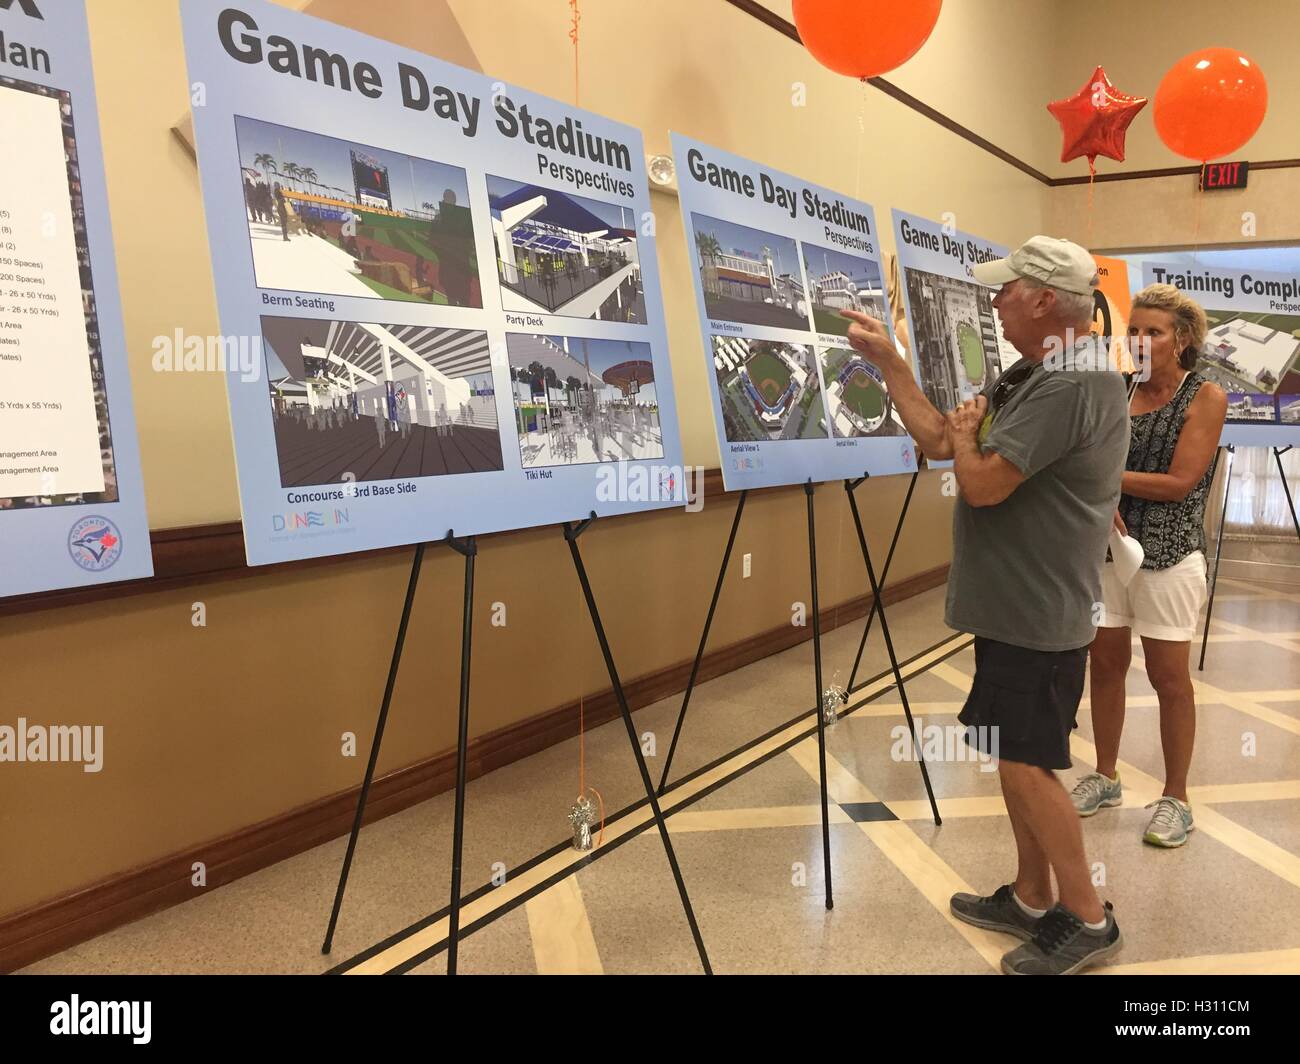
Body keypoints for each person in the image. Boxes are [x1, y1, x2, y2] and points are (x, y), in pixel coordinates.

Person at [842, 235, 1130, 976]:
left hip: (1038, 613)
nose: (994, 304)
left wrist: (969, 445)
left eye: (1005, 291)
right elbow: (946, 439)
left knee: (1032, 764)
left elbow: (981, 482)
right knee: (1014, 754)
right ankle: (1033, 898)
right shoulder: (1033, 373)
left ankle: (1089, 920)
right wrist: (893, 367)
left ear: (1043, 299)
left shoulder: (1074, 381)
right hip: (1011, 609)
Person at [1075, 284, 1227, 846]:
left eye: (1153, 331)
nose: (1138, 341)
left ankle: (1176, 798)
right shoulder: (1114, 390)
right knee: (1106, 666)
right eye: (1133, 330)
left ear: (1181, 339)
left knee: (1169, 680)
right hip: (1106, 553)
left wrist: (1104, 482)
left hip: (1167, 556)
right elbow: (1082, 454)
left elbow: (1181, 482)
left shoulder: (1205, 396)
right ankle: (1106, 775)